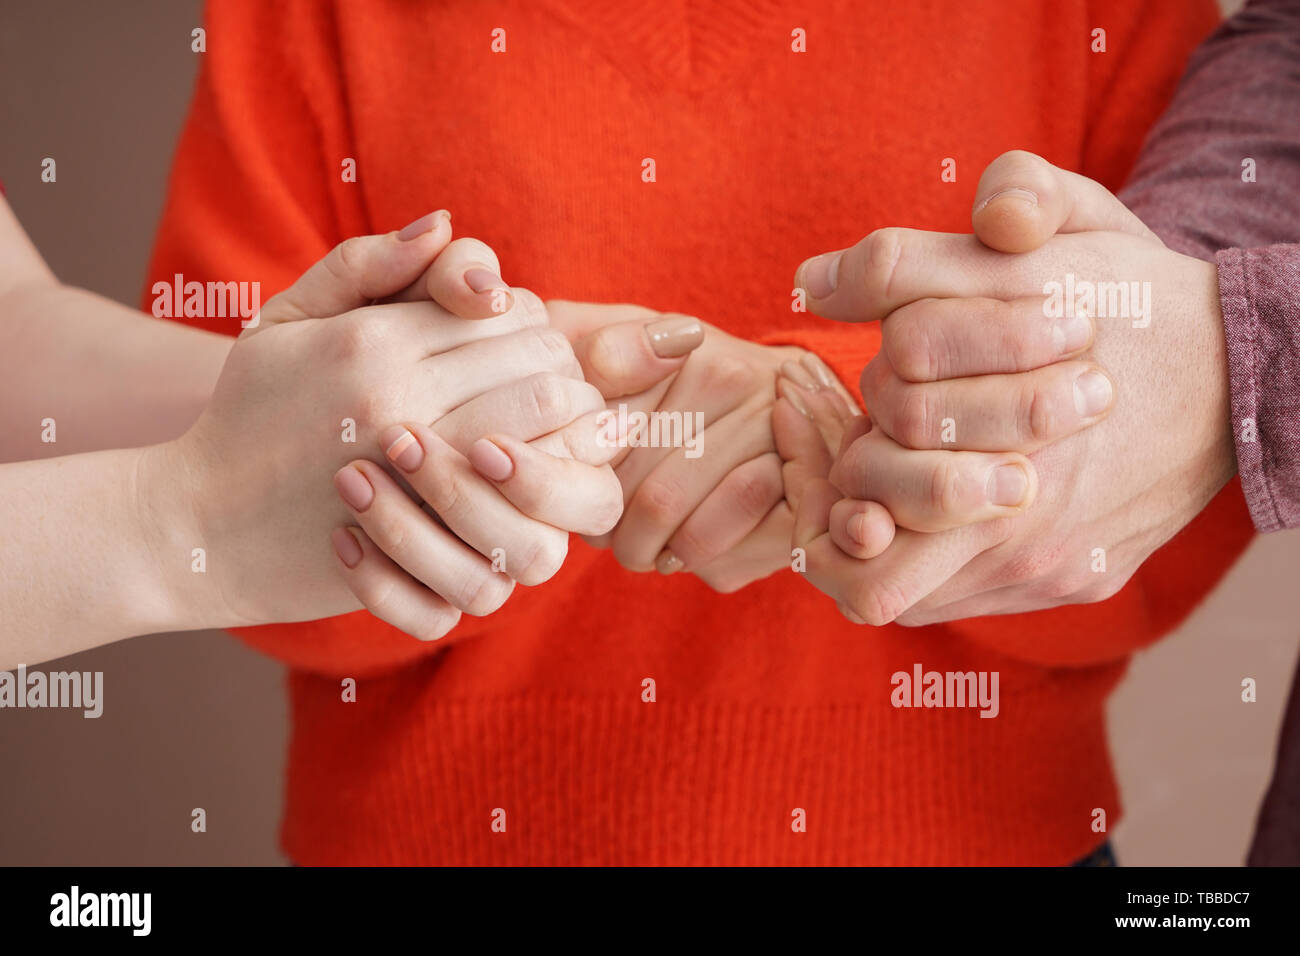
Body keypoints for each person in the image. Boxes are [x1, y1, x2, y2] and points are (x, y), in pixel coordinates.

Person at [144, 0, 1231, 864]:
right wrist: (573, 433)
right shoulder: (309, 13)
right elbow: (218, 491)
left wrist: (843, 417)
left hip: (990, 839)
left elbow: (1185, 450)